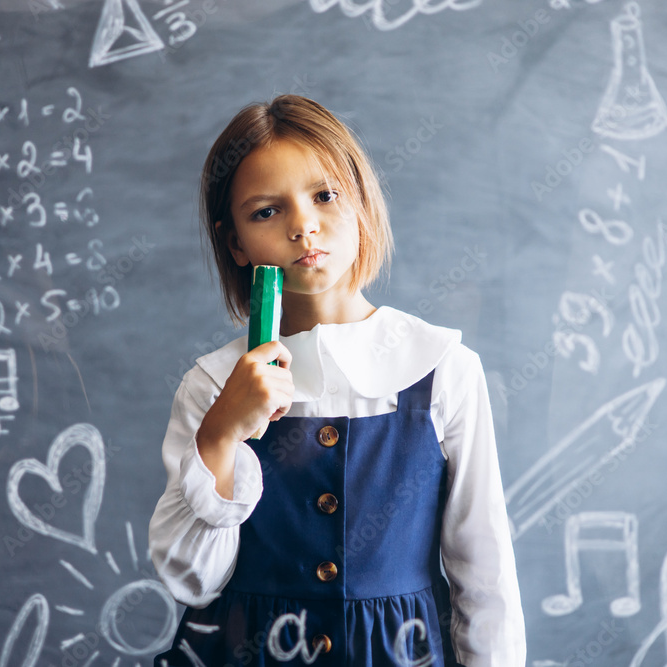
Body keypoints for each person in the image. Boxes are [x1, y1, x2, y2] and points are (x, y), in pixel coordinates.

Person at [149, 94, 525, 667]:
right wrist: (222, 434)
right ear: (236, 244)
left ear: (362, 205)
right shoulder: (212, 385)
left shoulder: (440, 367)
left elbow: (485, 571)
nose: (303, 225)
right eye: (266, 212)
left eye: (325, 196)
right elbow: (195, 582)